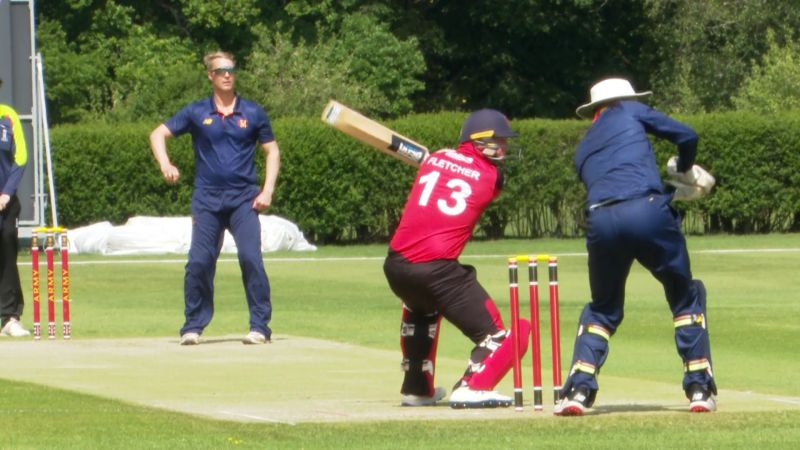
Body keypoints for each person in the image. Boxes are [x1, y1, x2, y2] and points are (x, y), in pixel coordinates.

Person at [555, 78, 717, 416]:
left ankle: (579, 392)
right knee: (685, 295)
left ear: (592, 111)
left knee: (602, 309)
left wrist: (666, 192)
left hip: (600, 220)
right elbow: (688, 135)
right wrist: (684, 174)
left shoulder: (583, 148)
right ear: (623, 99)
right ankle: (699, 388)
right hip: (646, 210)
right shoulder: (629, 108)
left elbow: (613, 185)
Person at [383, 109, 531, 408]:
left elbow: (448, 174)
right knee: (504, 335)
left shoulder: (435, 157)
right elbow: (481, 185)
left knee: (420, 312)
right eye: (496, 140)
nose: (502, 147)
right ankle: (473, 386)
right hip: (437, 270)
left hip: (396, 266)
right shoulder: (492, 177)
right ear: (476, 141)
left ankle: (417, 389)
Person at [149, 51, 280, 346]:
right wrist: (165, 164)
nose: (227, 74)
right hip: (207, 199)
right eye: (220, 70)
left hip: (244, 199)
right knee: (199, 261)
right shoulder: (197, 111)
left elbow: (271, 151)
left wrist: (267, 190)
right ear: (210, 75)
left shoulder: (253, 112)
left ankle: (260, 326)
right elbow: (158, 134)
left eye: (231, 69)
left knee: (251, 258)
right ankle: (192, 326)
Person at [0, 77, 30, 338]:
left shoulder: (8, 116)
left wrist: (6, 193)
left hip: (5, 204)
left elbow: (21, 158)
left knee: (7, 250)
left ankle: (10, 317)